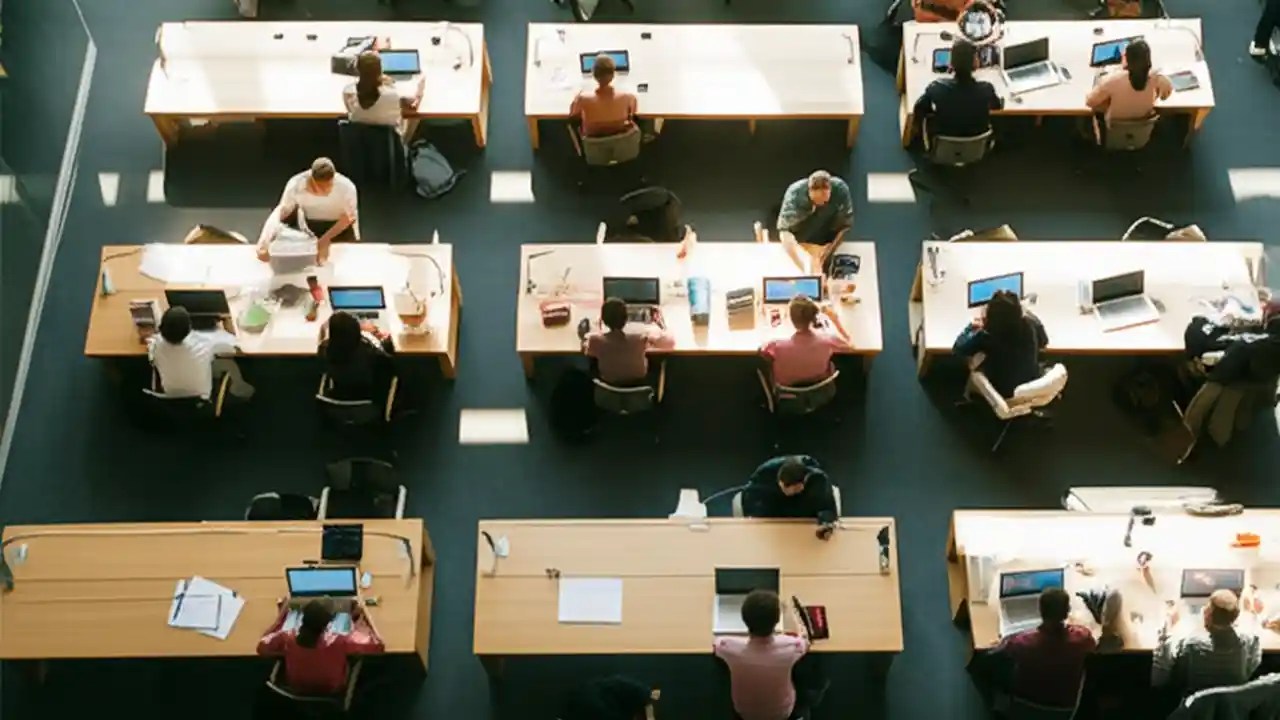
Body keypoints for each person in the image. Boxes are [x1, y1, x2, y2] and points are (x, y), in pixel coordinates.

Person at [257, 597, 385, 696]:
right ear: (326, 626)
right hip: (332, 689)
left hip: (296, 688)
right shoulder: (339, 641)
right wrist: (364, 618)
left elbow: (262, 646)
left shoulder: (287, 638)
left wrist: (280, 617)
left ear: (302, 620)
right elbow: (378, 646)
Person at [714, 589, 810, 720]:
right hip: (782, 713)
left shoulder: (729, 649)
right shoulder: (792, 647)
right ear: (777, 620)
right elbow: (805, 643)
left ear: (743, 618)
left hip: (744, 713)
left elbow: (717, 644)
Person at [999, 587, 1097, 708]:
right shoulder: (1082, 639)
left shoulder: (1021, 643)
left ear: (1040, 611)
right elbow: (1093, 647)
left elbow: (1002, 649)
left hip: (1028, 707)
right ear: (1067, 611)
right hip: (1067, 708)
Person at [1152, 588, 1262, 695]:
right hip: (1233, 706)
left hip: (1195, 706)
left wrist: (1168, 626)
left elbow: (1159, 679)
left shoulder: (1189, 642)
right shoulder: (1248, 641)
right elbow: (1251, 669)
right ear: (1236, 616)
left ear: (1207, 614)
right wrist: (1251, 613)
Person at [257, 157, 359, 264]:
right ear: (312, 179)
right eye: (320, 187)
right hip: (312, 227)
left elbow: (349, 217)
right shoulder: (296, 184)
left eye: (328, 186)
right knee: (312, 266)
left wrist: (325, 240)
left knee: (344, 264)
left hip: (341, 228)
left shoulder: (346, 187)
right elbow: (280, 212)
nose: (325, 191)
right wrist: (264, 242)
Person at [953, 290, 1049, 399]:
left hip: (1001, 391)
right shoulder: (1030, 325)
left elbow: (958, 348)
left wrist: (970, 327)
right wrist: (1025, 311)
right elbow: (1044, 341)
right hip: (1030, 384)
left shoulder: (988, 335)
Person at [148, 306, 255, 400]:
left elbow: (152, 343)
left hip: (169, 402)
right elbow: (237, 347)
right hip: (202, 403)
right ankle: (239, 389)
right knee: (229, 364)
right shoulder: (205, 342)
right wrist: (228, 324)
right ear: (189, 329)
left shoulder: (157, 344)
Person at [912, 38, 1003, 142]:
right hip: (978, 146)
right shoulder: (986, 89)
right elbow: (997, 108)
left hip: (944, 146)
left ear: (951, 62)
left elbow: (919, 108)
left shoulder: (936, 88)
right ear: (975, 63)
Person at [768, 170, 854, 275]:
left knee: (820, 272)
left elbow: (845, 226)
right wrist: (801, 264)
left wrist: (827, 254)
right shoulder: (795, 193)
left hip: (825, 239)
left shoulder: (840, 190)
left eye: (824, 201)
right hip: (798, 238)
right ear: (809, 192)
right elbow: (784, 231)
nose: (821, 204)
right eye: (816, 201)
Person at [1085, 39, 1172, 141]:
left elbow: (1090, 102)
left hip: (1113, 131)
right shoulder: (1155, 78)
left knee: (1084, 120)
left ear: (1126, 58)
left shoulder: (1112, 80)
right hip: (1143, 132)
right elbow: (1165, 96)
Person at [760, 295, 851, 387]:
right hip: (820, 392)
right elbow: (849, 346)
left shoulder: (775, 345)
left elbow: (762, 350)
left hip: (787, 393)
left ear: (790, 318)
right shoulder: (828, 340)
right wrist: (835, 321)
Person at [582, 297, 675, 386]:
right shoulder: (640, 339)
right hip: (639, 389)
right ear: (626, 318)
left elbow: (585, 348)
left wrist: (594, 331)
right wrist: (661, 325)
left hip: (608, 390)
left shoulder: (596, 341)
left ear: (603, 320)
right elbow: (670, 342)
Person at [741, 455, 839, 537]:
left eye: (794, 490)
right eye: (783, 487)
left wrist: (826, 524)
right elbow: (748, 498)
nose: (786, 492)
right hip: (773, 523)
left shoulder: (819, 480)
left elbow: (828, 509)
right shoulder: (764, 477)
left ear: (802, 485)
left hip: (805, 522)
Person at [319, 311, 397, 403]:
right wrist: (383, 340)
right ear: (357, 332)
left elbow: (328, 340)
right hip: (368, 403)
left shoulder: (325, 351)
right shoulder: (370, 353)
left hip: (335, 403)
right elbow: (388, 361)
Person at [342, 51, 425, 137]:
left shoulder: (349, 93)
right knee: (413, 119)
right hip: (390, 143)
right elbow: (413, 106)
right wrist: (420, 90)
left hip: (359, 142)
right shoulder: (392, 95)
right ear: (381, 70)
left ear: (357, 69)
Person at [569, 54, 638, 138]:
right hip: (621, 143)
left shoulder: (582, 99)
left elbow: (572, 114)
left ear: (594, 75)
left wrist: (577, 97)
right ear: (613, 75)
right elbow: (634, 112)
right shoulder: (628, 97)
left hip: (593, 144)